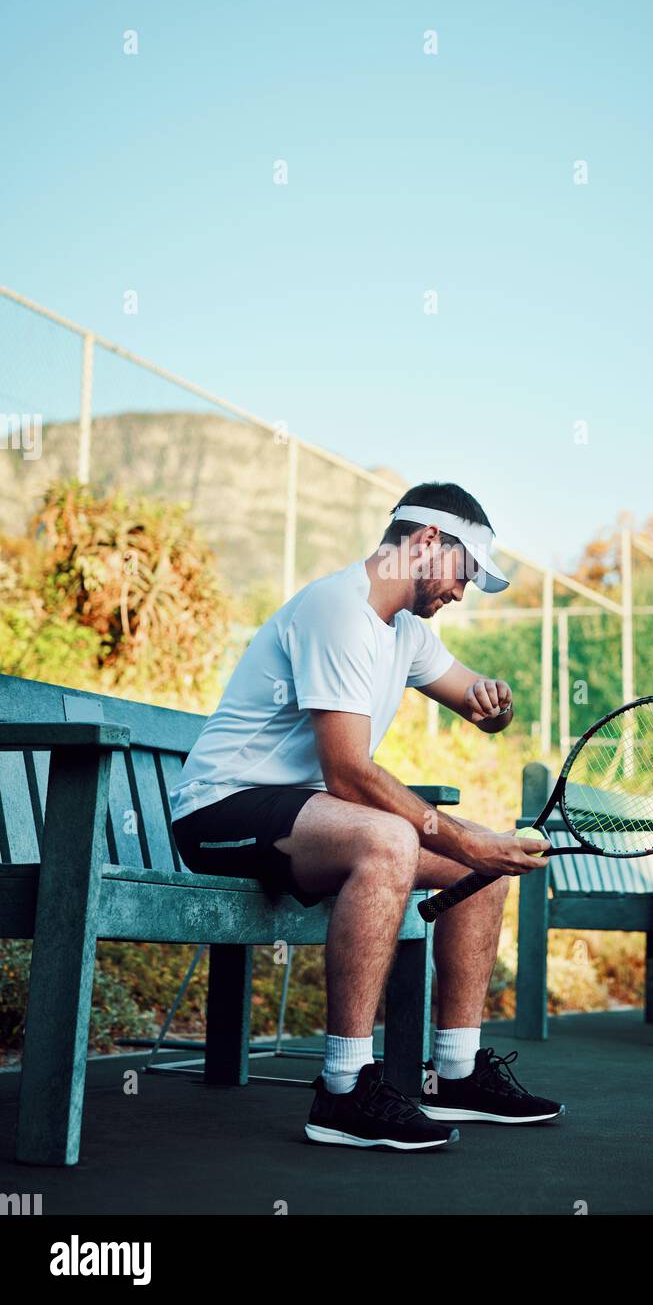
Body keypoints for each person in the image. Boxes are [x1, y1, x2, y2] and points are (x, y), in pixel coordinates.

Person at [170, 481, 564, 1151]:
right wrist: (466, 840)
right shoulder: (338, 609)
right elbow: (347, 772)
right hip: (222, 811)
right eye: (463, 573)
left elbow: (475, 699)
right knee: (392, 841)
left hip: (302, 820)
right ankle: (344, 1089)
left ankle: (458, 1074)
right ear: (426, 543)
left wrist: (496, 707)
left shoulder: (405, 633)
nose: (462, 592)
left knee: (483, 874)